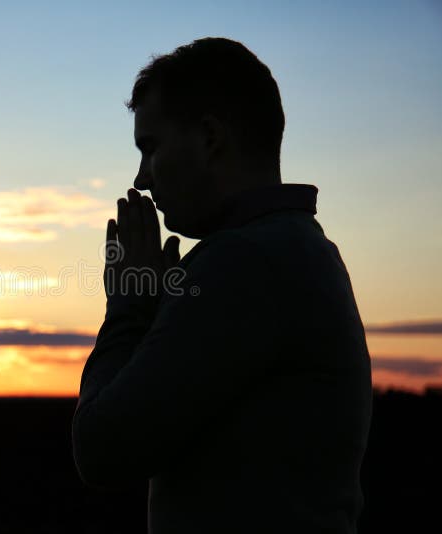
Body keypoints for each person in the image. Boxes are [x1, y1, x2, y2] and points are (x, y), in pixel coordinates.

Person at [71, 37, 373, 534]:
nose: (142, 179)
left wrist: (127, 306)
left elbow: (102, 450)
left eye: (150, 148)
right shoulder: (299, 249)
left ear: (210, 138)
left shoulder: (245, 260)